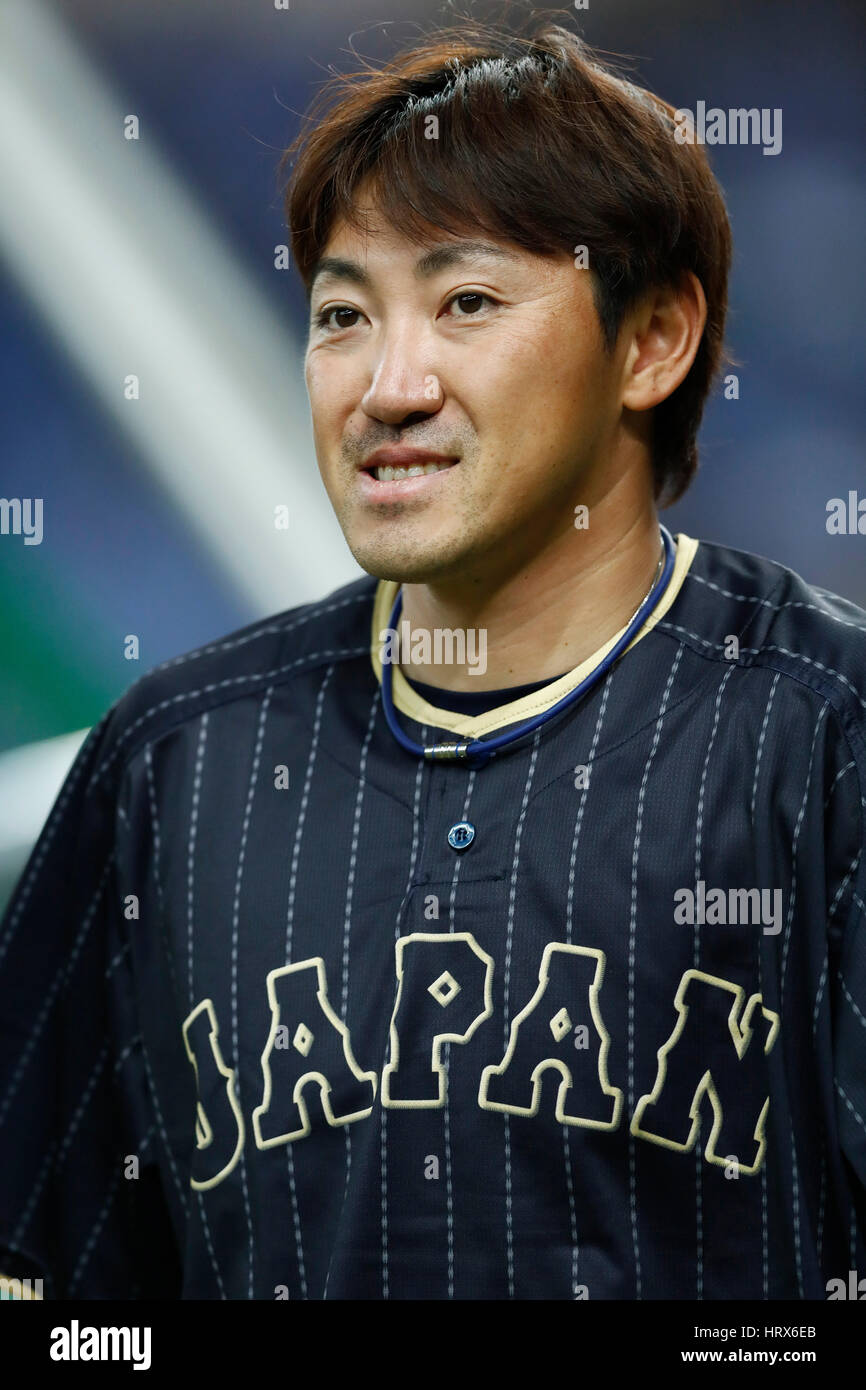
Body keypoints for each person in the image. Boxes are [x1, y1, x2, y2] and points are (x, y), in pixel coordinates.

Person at [1, 16, 864, 1301]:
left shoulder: (824, 737)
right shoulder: (167, 765)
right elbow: (52, 1295)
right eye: (342, 315)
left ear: (652, 343)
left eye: (464, 302)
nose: (385, 386)